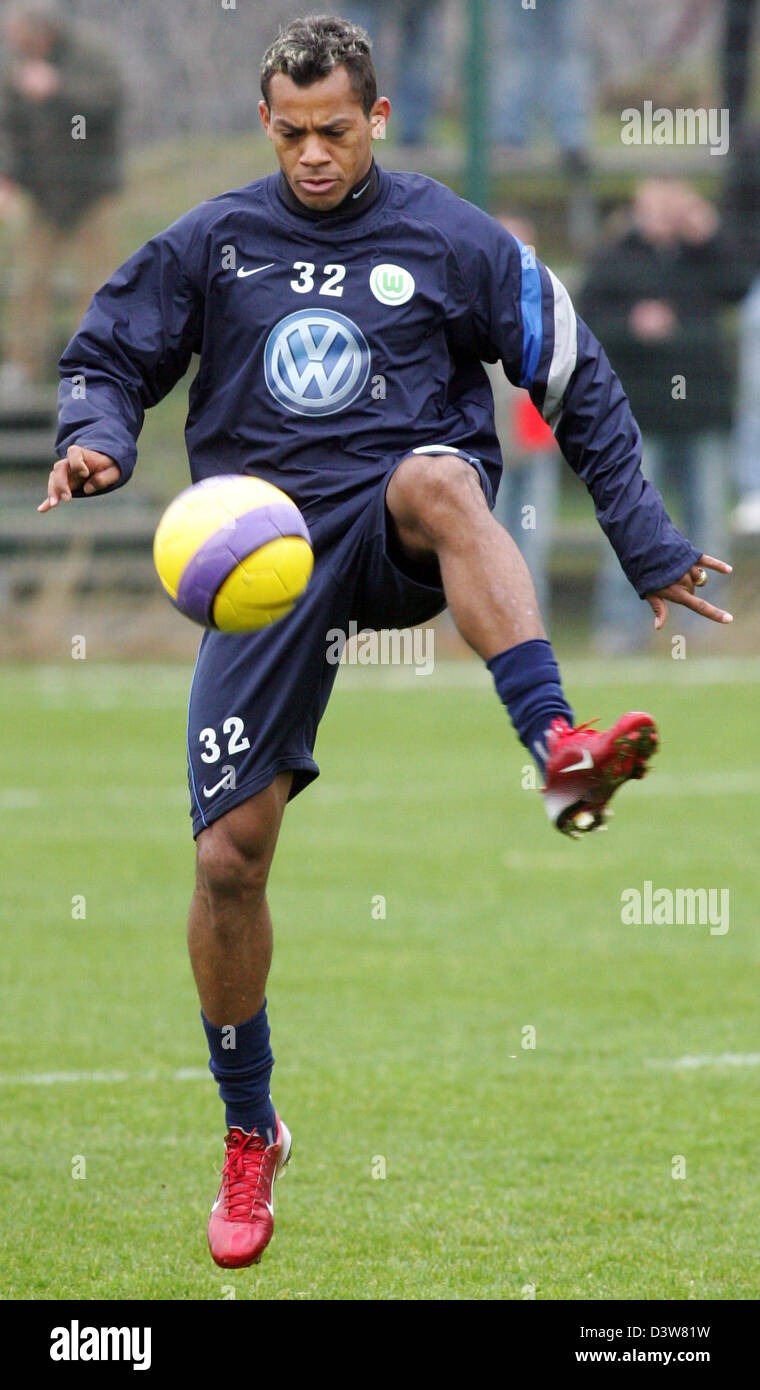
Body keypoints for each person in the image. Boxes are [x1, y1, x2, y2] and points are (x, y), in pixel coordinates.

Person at [40, 16, 731, 1271]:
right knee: (227, 865)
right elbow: (111, 350)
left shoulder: (454, 238)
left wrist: (643, 543)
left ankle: (558, 746)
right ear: (267, 123)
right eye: (293, 133)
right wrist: (95, 433)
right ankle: (250, 1131)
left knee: (441, 479)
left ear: (379, 119)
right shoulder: (214, 240)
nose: (314, 154)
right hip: (263, 559)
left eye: (337, 132)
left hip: (395, 520)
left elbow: (573, 374)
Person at [577, 178, 745, 651]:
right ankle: (620, 629)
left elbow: (740, 286)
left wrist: (709, 234)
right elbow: (584, 322)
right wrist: (633, 326)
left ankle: (708, 631)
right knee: (631, 524)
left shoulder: (703, 255)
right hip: (639, 419)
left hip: (704, 416)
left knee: (706, 523)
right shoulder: (615, 258)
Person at [0, 1, 124, 387]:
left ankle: (91, 364)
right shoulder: (19, 67)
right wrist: (8, 177)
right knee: (30, 281)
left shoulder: (90, 56)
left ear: (43, 31)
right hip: (42, 192)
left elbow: (107, 104)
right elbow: (13, 127)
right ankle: (23, 364)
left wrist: (58, 90)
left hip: (91, 189)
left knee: (97, 283)